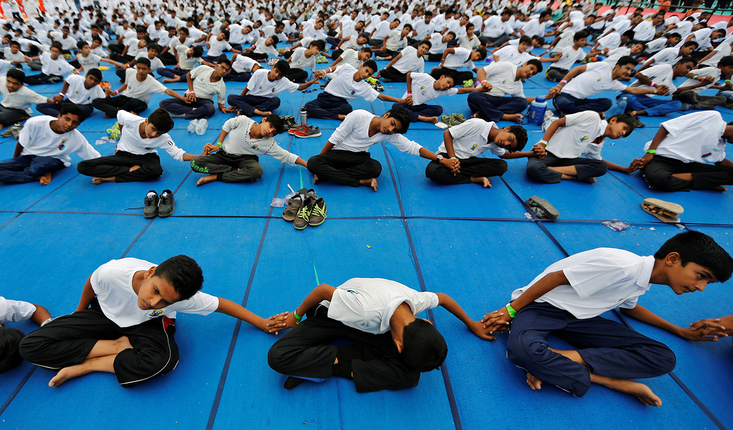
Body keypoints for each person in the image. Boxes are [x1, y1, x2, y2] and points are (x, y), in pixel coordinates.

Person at [481, 231, 732, 406]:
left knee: (664, 358)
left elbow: (630, 309)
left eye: (708, 282)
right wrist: (511, 310)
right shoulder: (622, 266)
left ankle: (547, 360)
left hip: (580, 318)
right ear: (673, 259)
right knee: (523, 352)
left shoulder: (642, 281)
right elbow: (554, 278)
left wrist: (679, 331)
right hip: (542, 306)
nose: (701, 288)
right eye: (701, 276)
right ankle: (614, 382)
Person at [19, 255, 286, 387]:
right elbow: (92, 282)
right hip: (103, 314)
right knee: (30, 346)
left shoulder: (175, 299)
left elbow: (221, 305)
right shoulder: (112, 273)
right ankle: (116, 346)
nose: (154, 303)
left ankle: (88, 366)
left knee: (164, 362)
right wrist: (79, 313)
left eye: (166, 302)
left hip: (145, 325)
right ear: (150, 273)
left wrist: (261, 322)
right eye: (155, 291)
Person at [267, 277, 493, 392]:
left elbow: (442, 298)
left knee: (411, 376)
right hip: (334, 315)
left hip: (376, 326)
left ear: (424, 322)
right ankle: (330, 363)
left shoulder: (415, 302)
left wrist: (472, 324)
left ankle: (324, 365)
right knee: (279, 356)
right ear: (398, 344)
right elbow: (323, 290)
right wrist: (295, 317)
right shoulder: (365, 310)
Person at [306, 107, 458, 191]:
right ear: (386, 114)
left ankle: (330, 175)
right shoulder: (359, 116)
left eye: (395, 129)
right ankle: (360, 181)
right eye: (392, 123)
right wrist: (320, 162)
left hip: (357, 158)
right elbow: (335, 138)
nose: (390, 129)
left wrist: (441, 159)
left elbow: (412, 147)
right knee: (313, 162)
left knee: (376, 168)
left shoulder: (389, 134)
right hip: (337, 155)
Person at [0, 103, 100, 186]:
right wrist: (15, 162)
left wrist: (111, 169)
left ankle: (38, 171)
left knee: (40, 165)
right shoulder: (35, 123)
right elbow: (21, 143)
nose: (69, 124)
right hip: (28, 157)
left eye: (75, 123)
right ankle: (35, 176)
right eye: (67, 119)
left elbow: (93, 155)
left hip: (53, 160)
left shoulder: (76, 138)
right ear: (59, 116)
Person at [77, 108, 198, 184]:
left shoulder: (163, 137)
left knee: (156, 171)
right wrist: (121, 138)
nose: (154, 134)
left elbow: (178, 154)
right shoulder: (131, 119)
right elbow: (120, 115)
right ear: (146, 121)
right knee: (83, 166)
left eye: (159, 133)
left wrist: (200, 156)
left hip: (145, 158)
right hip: (123, 155)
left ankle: (110, 178)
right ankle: (129, 171)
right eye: (153, 129)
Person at [190, 114, 305, 186]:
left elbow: (286, 156)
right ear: (264, 120)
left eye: (273, 132)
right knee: (195, 163)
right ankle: (236, 171)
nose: (269, 131)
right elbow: (227, 125)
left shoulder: (268, 144)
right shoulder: (243, 121)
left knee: (257, 171)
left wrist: (307, 164)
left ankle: (215, 176)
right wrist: (219, 144)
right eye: (270, 126)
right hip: (223, 155)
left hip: (244, 160)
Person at [526, 111, 638, 184]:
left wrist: (624, 169)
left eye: (625, 133)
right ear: (613, 120)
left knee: (602, 167)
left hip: (566, 161)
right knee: (533, 170)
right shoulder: (592, 117)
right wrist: (543, 143)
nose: (623, 132)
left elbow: (597, 161)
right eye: (624, 127)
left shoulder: (599, 142)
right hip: (547, 152)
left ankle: (550, 170)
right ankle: (572, 177)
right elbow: (557, 123)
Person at [637, 111, 733, 192]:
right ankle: (699, 183)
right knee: (658, 179)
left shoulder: (720, 144)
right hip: (660, 160)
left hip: (683, 166)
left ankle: (682, 180)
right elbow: (667, 127)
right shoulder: (713, 117)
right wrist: (650, 152)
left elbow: (720, 161)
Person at [547, 56, 665, 117]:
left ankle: (572, 113)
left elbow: (632, 89)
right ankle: (588, 113)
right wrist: (561, 84)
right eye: (627, 68)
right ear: (618, 66)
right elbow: (578, 68)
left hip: (580, 101)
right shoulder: (603, 66)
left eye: (631, 70)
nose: (629, 72)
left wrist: (655, 91)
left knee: (607, 103)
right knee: (564, 104)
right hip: (565, 95)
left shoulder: (614, 84)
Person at [425, 120, 529, 186]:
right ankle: (473, 178)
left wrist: (530, 154)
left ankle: (458, 172)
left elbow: (504, 155)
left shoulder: (496, 143)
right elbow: (448, 133)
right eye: (509, 139)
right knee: (432, 171)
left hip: (465, 161)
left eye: (508, 146)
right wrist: (452, 159)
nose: (505, 143)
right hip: (447, 156)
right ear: (507, 128)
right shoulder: (478, 125)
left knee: (502, 166)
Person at [303, 60, 410, 121]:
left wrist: (402, 101)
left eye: (369, 74)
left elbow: (380, 96)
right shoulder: (348, 68)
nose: (366, 75)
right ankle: (336, 116)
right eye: (366, 71)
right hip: (326, 96)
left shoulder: (364, 87)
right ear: (361, 66)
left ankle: (319, 113)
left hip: (339, 102)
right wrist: (324, 71)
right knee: (308, 106)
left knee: (348, 108)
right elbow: (335, 68)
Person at [0, 69, 57, 133]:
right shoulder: (2, 80)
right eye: (9, 81)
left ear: (21, 84)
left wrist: (56, 101)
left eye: (15, 84)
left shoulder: (27, 93)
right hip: (1, 106)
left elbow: (45, 100)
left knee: (2, 116)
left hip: (19, 112)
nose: (11, 85)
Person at [91, 58, 188, 118]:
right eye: (139, 68)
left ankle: (115, 112)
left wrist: (183, 98)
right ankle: (120, 112)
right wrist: (114, 93)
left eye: (144, 69)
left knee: (132, 103)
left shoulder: (152, 81)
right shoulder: (129, 71)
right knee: (96, 101)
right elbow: (126, 84)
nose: (141, 71)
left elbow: (168, 91)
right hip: (124, 97)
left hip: (140, 102)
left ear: (149, 69)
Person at [227, 60, 316, 117]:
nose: (276, 76)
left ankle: (247, 111)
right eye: (276, 71)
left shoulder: (284, 81)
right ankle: (258, 112)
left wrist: (311, 82)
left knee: (276, 101)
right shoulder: (259, 73)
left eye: (280, 75)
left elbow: (299, 87)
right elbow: (247, 88)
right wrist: (237, 103)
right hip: (251, 98)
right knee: (231, 98)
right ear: (273, 68)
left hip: (265, 101)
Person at [468, 60, 543, 123]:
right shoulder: (508, 66)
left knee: (523, 103)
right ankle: (504, 116)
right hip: (482, 98)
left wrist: (545, 98)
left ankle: (485, 114)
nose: (530, 72)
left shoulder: (518, 86)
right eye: (531, 68)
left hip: (495, 102)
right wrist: (484, 83)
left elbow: (523, 100)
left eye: (533, 73)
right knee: (474, 95)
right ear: (525, 64)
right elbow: (481, 71)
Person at [393, 70, 480, 124]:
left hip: (418, 106)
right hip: (406, 103)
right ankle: (423, 118)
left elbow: (460, 91)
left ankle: (410, 115)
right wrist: (409, 94)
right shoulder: (426, 78)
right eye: (448, 82)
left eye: (450, 86)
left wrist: (479, 90)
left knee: (438, 110)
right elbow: (409, 75)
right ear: (442, 77)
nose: (447, 86)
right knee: (396, 106)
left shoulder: (444, 90)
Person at [160, 57, 230, 120]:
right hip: (189, 97)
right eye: (222, 67)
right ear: (217, 66)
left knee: (210, 109)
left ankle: (182, 114)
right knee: (163, 103)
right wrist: (191, 92)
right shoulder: (204, 69)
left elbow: (221, 102)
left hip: (203, 101)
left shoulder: (221, 86)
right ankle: (197, 112)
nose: (224, 71)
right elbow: (189, 75)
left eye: (226, 70)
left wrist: (222, 107)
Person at [625, 57, 697, 117]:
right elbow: (638, 75)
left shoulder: (671, 85)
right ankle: (651, 111)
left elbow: (676, 91)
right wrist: (656, 86)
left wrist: (701, 84)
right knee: (628, 98)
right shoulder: (666, 68)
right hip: (633, 94)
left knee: (677, 104)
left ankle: (640, 111)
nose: (688, 70)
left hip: (646, 100)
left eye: (690, 70)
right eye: (687, 67)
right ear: (678, 64)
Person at [37, 69, 105, 119]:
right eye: (91, 78)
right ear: (86, 76)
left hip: (83, 106)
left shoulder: (97, 89)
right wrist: (61, 95)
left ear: (98, 83)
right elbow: (67, 81)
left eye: (95, 81)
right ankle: (61, 116)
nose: (92, 81)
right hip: (69, 103)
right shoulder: (76, 78)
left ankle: (65, 116)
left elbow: (104, 100)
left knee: (81, 112)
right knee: (40, 106)